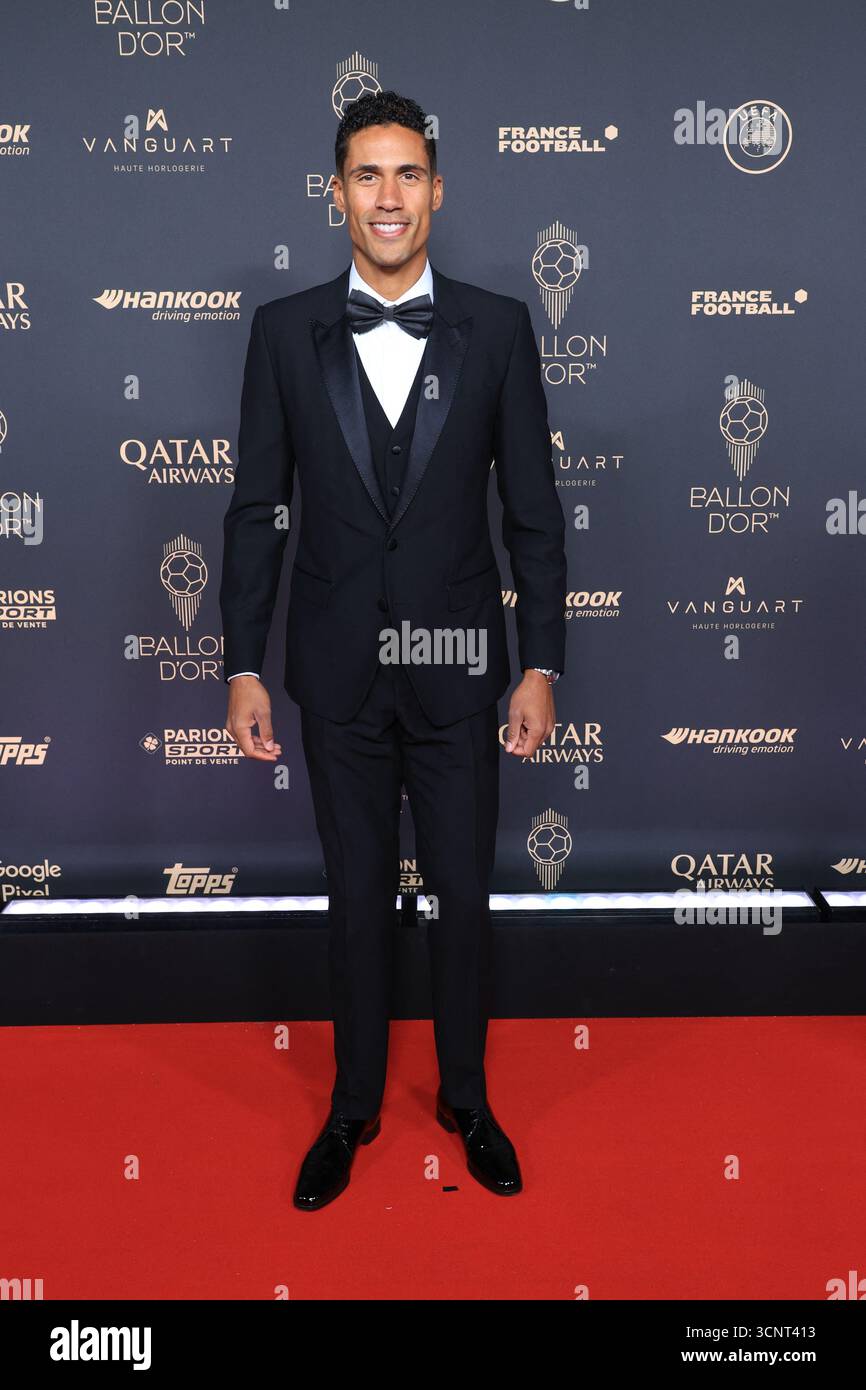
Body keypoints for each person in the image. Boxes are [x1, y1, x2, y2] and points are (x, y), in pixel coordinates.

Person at [219, 90, 566, 1210]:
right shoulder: (281, 331)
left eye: (406, 175)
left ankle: (466, 1098)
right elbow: (254, 506)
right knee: (357, 899)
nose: (387, 197)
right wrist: (239, 664)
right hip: (333, 671)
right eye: (365, 175)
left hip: (466, 668)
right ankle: (352, 1105)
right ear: (335, 193)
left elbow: (533, 516)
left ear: (437, 190)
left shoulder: (500, 326)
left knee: (463, 895)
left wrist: (538, 661)